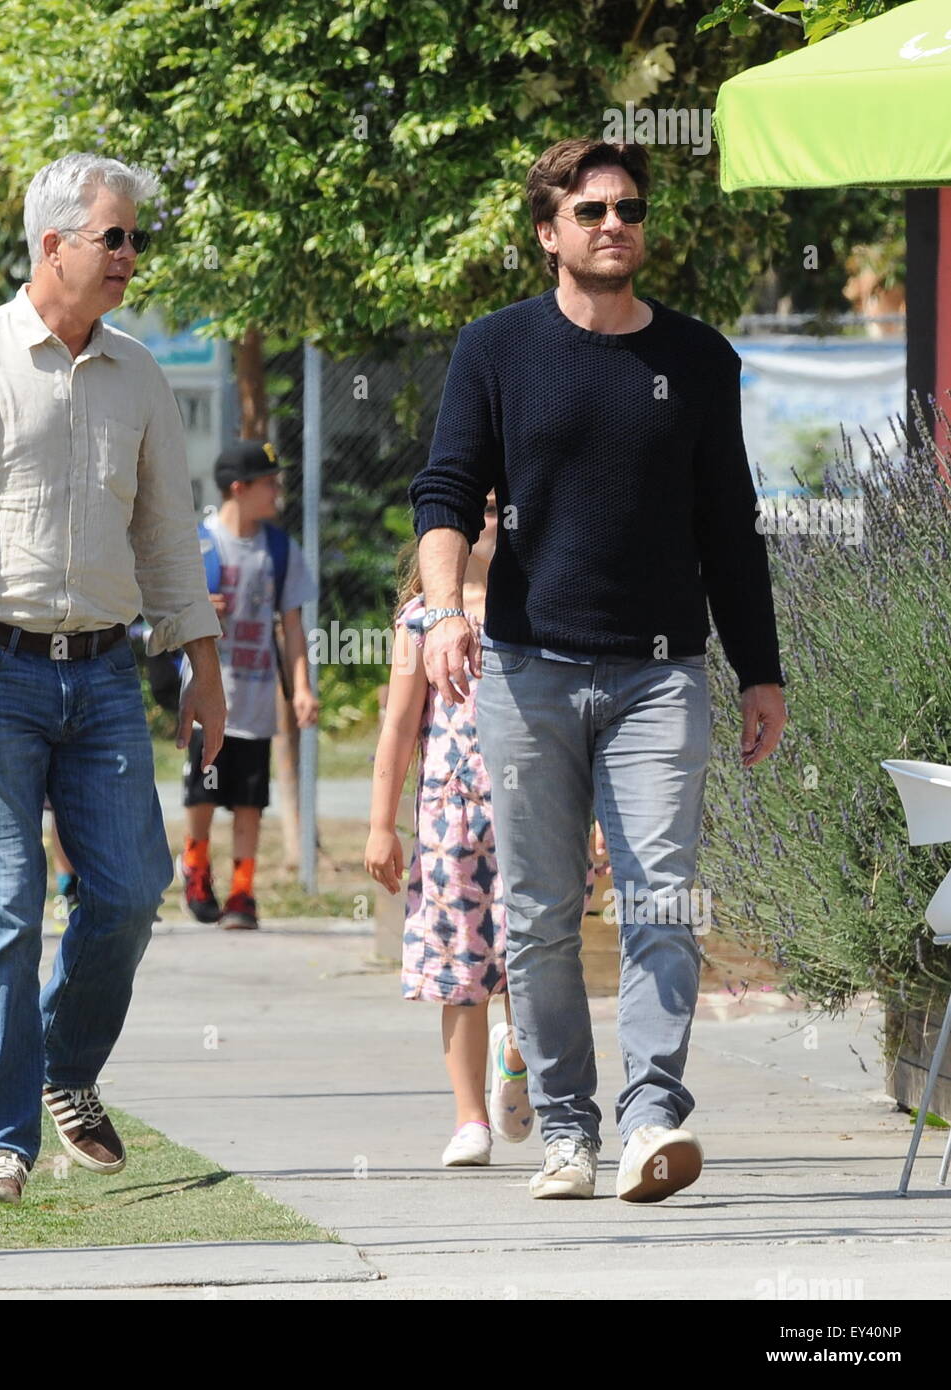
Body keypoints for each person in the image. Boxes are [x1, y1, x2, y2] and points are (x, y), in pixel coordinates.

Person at [409, 137, 787, 1204]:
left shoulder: (701, 359)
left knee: (663, 898)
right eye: (589, 210)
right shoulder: (494, 351)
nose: (613, 223)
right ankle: (565, 1127)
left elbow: (731, 527)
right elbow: (443, 493)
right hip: (526, 670)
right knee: (535, 911)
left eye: (628, 207)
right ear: (548, 232)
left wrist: (760, 672)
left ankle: (652, 1116)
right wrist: (443, 612)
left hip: (662, 676)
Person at [0, 152, 225, 1205]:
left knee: (129, 892)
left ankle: (66, 1067)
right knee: (7, 906)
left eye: (134, 239)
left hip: (107, 673)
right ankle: (1, 1141)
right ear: (53, 244)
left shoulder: (139, 373)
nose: (130, 257)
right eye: (113, 237)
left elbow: (168, 534)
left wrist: (201, 666)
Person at [366, 495, 539, 1165]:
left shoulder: (539, 608)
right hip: (451, 821)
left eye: (502, 505)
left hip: (534, 808)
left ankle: (519, 1052)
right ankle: (470, 1120)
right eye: (479, 505)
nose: (490, 518)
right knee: (457, 967)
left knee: (533, 951)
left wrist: (593, 819)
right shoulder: (420, 624)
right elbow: (398, 728)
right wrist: (382, 826)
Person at [178, 440, 318, 931]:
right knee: (201, 796)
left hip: (257, 701)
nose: (277, 492)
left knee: (249, 802)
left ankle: (242, 890)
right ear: (239, 488)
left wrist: (300, 687)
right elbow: (166, 616)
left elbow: (293, 627)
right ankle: (195, 869)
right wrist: (200, 612)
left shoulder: (280, 550)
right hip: (207, 697)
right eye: (269, 484)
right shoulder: (198, 545)